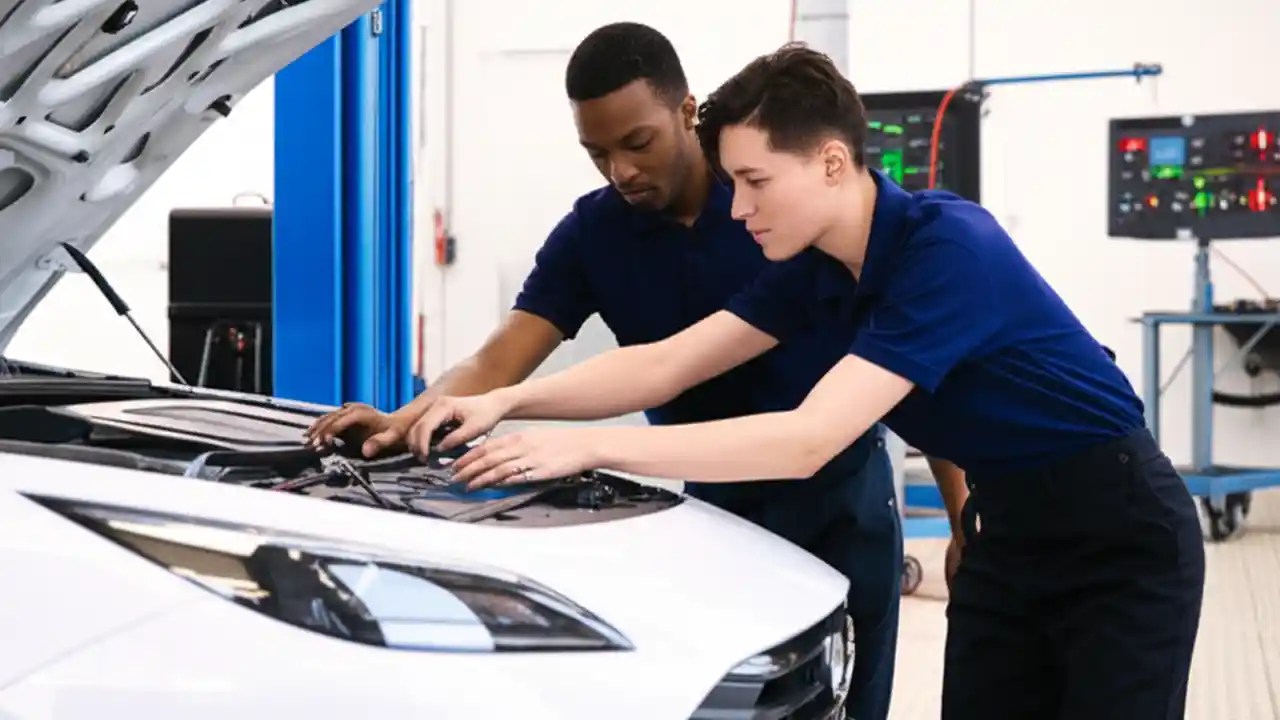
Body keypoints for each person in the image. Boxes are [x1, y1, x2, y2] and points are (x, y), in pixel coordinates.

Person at [409, 43, 1207, 720]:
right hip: (1012, 537)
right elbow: (668, 361)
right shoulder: (814, 269)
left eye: (755, 182)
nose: (737, 208)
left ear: (831, 162)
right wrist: (503, 399)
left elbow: (809, 437)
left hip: (1118, 534)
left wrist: (581, 452)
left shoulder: (947, 249)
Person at [304, 24, 942, 720]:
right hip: (711, 510)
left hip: (841, 497)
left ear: (688, 112)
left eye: (638, 144)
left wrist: (964, 515)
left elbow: (915, 362)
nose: (621, 171)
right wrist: (408, 420)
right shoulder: (593, 236)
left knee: (847, 700)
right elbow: (510, 361)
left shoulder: (779, 206)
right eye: (597, 153)